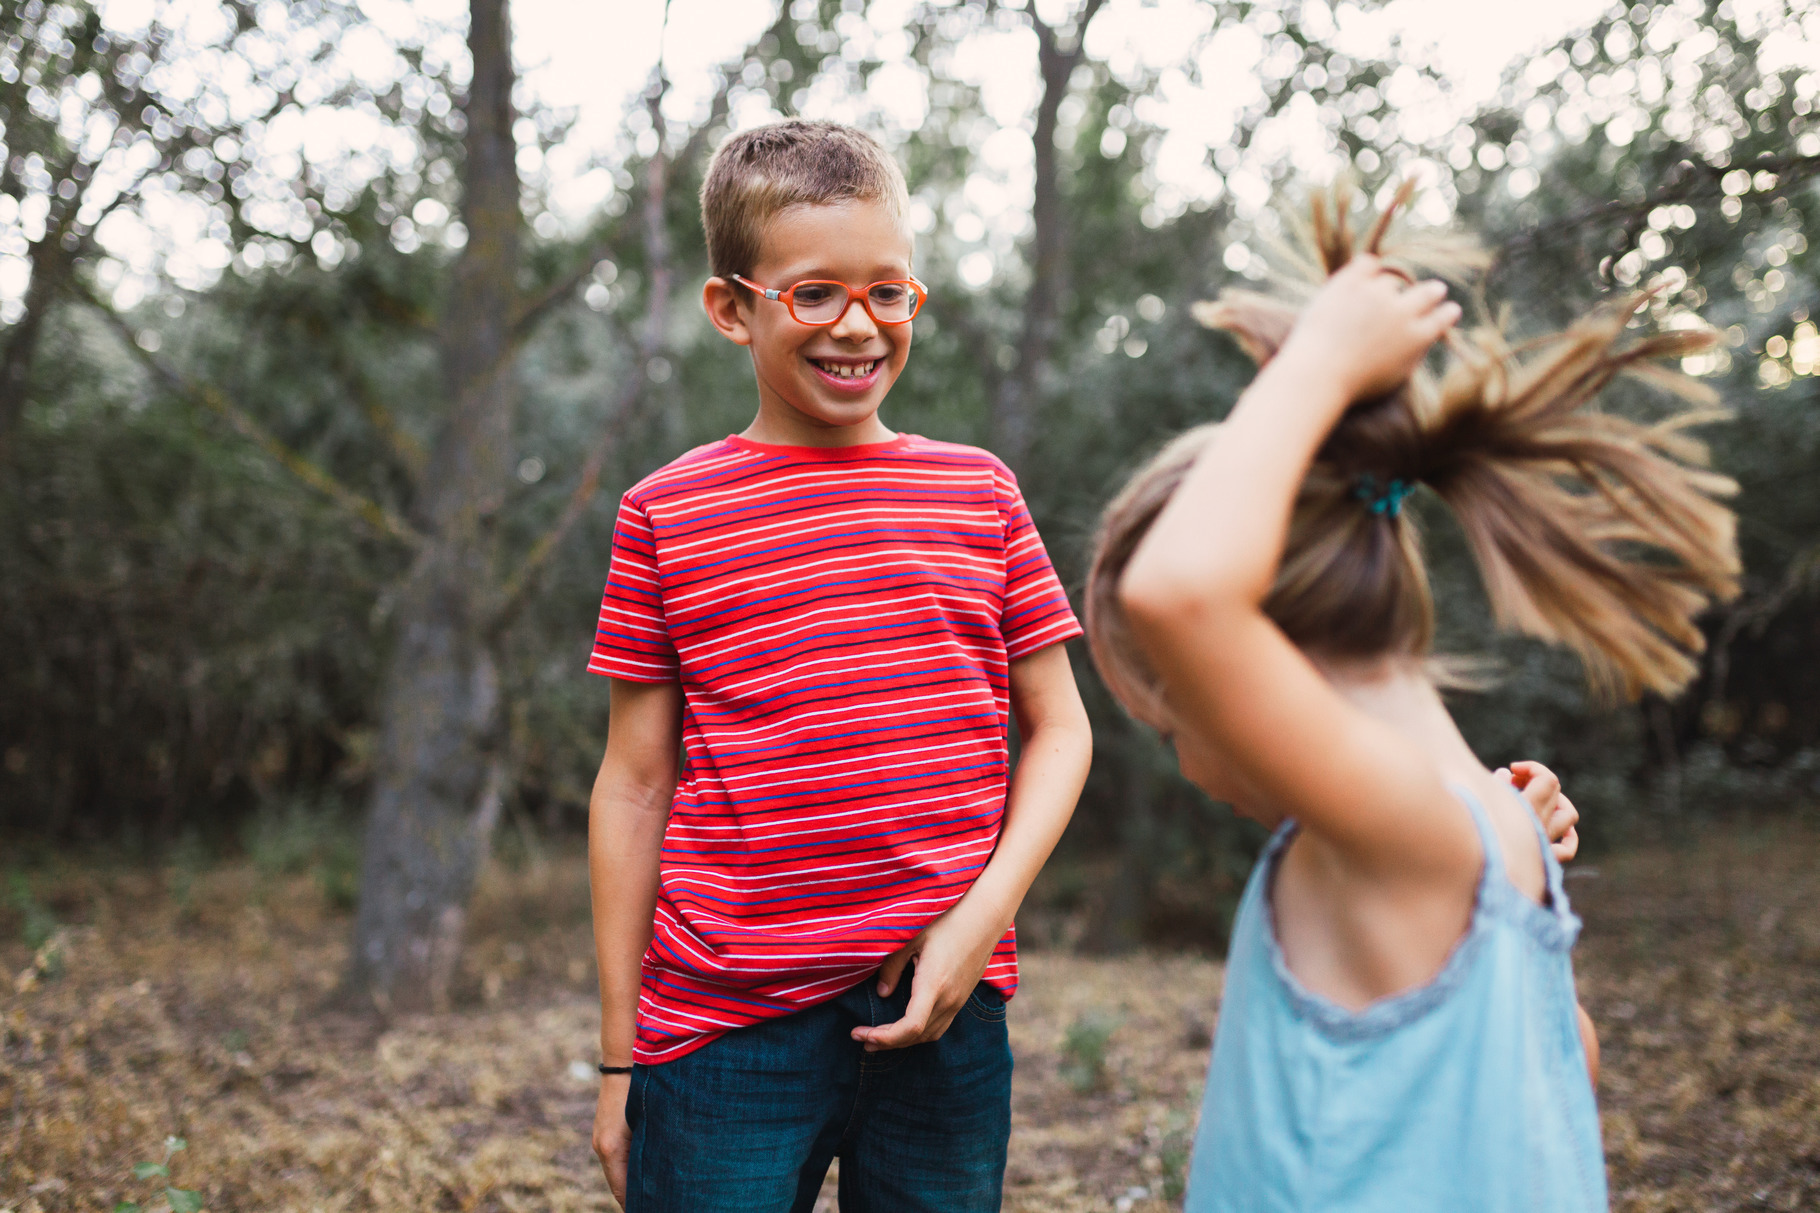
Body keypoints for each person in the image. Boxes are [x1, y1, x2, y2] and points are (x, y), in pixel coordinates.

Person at [1084, 182, 1738, 1212]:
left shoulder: (1411, 832)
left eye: (1173, 715)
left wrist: (1318, 364)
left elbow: (1178, 593)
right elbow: (1565, 1066)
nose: (1185, 761)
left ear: (1267, 656)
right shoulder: (1472, 837)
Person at [584, 119, 1093, 1213]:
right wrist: (618, 1057)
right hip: (722, 1032)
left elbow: (1062, 728)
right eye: (814, 294)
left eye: (887, 292)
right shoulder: (665, 512)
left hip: (945, 1012)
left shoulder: (980, 493)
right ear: (732, 308)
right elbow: (632, 782)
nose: (857, 325)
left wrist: (976, 927)